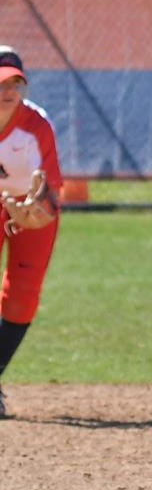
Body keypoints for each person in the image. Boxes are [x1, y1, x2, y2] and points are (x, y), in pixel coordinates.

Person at [0, 47, 62, 420]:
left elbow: (50, 186)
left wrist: (39, 207)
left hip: (28, 207)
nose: (8, 91)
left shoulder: (35, 124)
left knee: (23, 294)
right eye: (2, 83)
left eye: (16, 83)